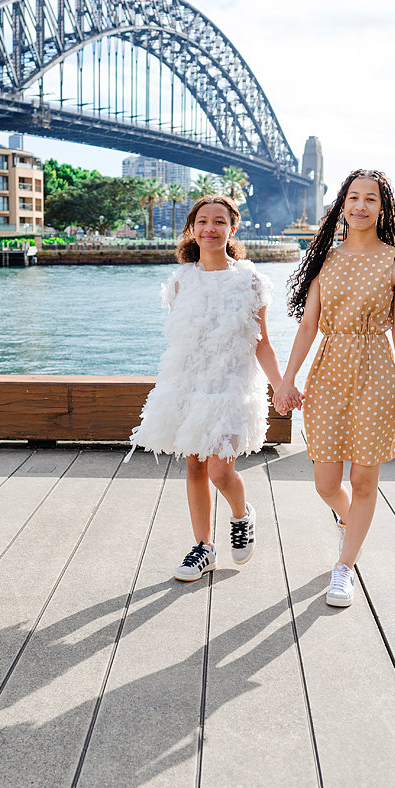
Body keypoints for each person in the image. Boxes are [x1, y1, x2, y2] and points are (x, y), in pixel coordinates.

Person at [273, 169, 395, 607]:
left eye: (370, 198)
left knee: (364, 478)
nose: (360, 205)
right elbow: (309, 326)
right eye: (353, 197)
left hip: (375, 372)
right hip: (329, 371)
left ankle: (344, 567)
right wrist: (286, 379)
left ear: (382, 207)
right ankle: (348, 519)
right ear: (341, 206)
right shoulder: (326, 260)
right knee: (326, 482)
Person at [128, 194, 288, 581]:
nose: (210, 228)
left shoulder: (250, 280)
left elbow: (261, 342)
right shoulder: (181, 280)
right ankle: (203, 548)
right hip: (188, 382)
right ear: (192, 229)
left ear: (232, 229)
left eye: (219, 221)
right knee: (195, 465)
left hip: (232, 386)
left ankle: (242, 515)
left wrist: (281, 384)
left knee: (219, 471)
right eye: (202, 221)